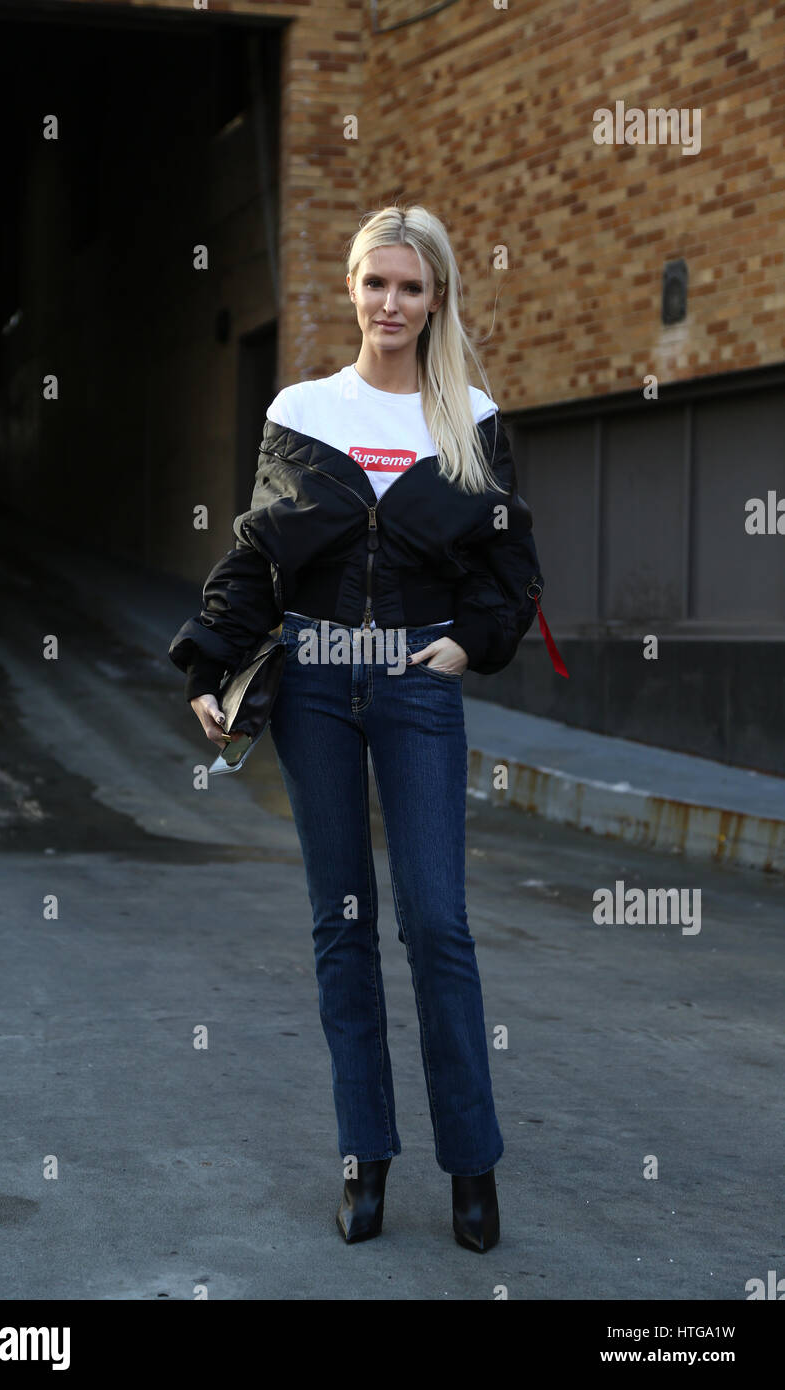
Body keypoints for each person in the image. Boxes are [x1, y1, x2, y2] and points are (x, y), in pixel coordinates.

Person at [169, 204, 547, 1253]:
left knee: (437, 923)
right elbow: (259, 551)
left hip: (417, 681)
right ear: (350, 289)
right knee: (342, 927)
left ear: (436, 301)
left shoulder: (469, 417)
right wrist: (207, 655)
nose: (389, 304)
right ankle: (362, 1157)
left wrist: (469, 643)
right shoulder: (302, 408)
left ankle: (470, 1164)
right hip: (315, 688)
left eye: (410, 288)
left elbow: (509, 565)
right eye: (373, 283)